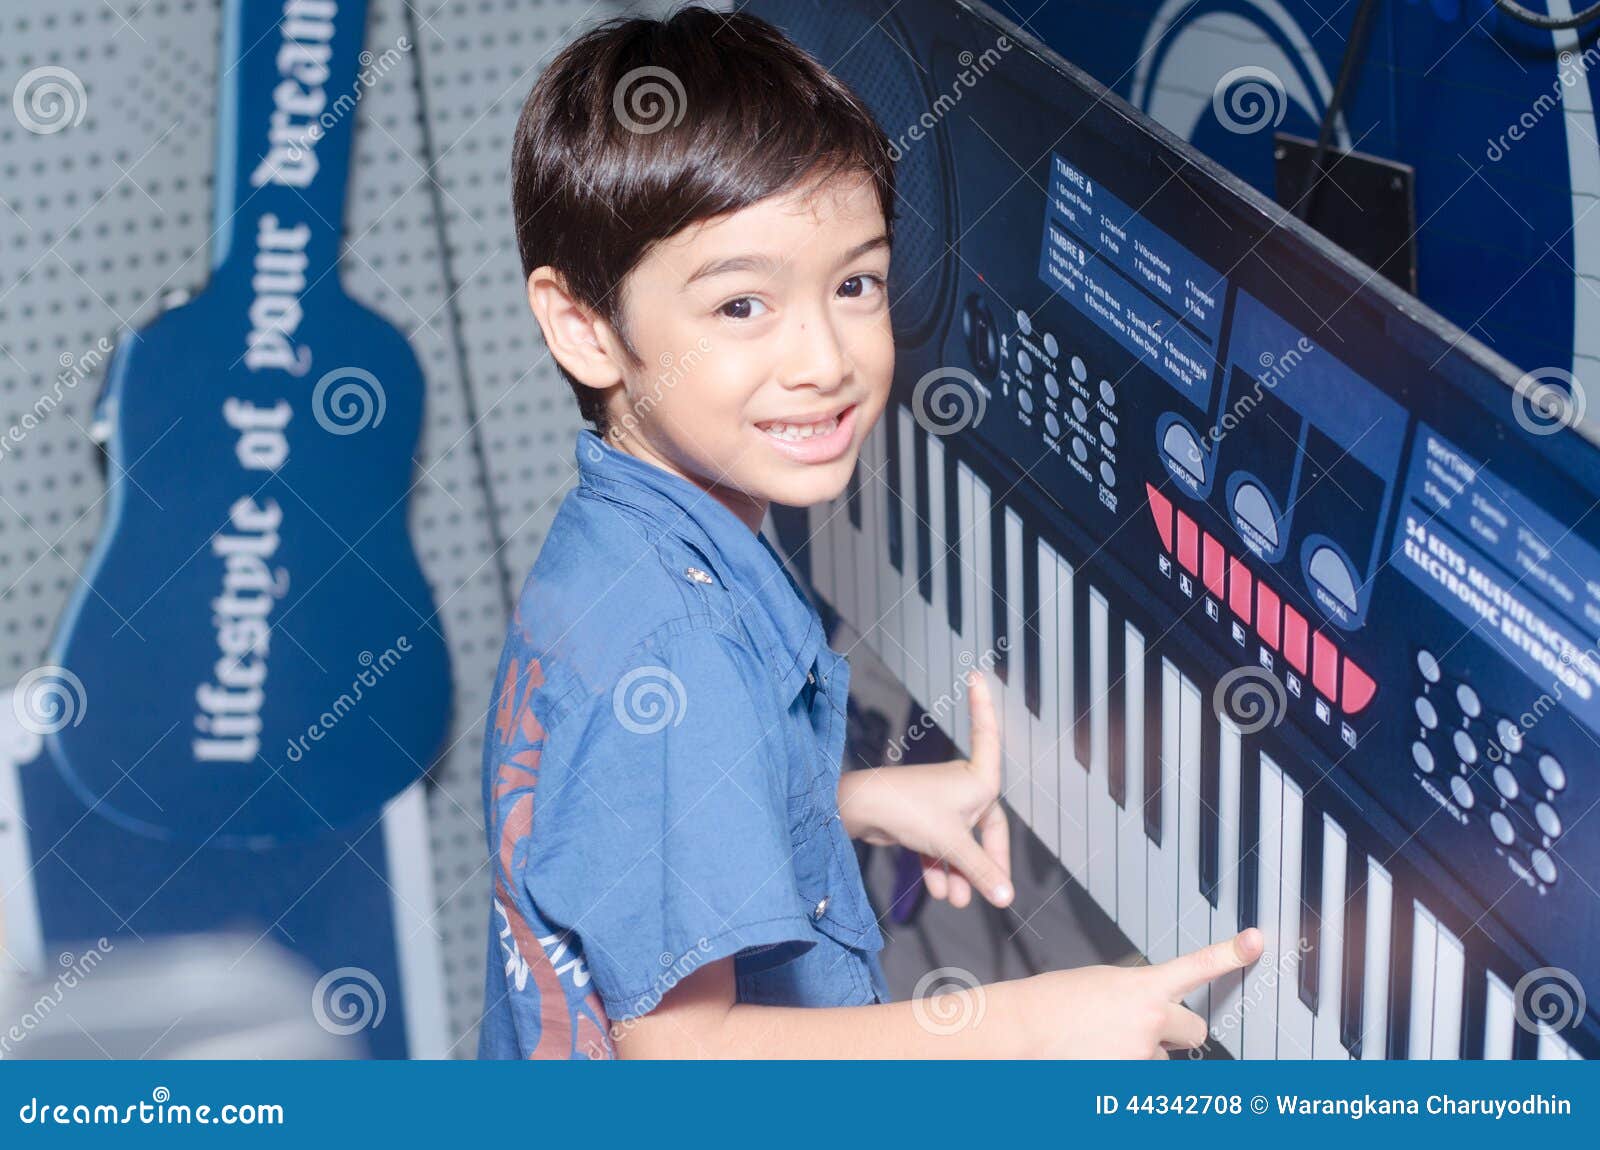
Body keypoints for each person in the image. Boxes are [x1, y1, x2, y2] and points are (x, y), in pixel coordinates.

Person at [476, 4, 1261, 1060]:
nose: (825, 358)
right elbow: (687, 1058)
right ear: (584, 327)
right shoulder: (678, 651)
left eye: (856, 283)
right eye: (741, 306)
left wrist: (844, 801)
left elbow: (610, 831)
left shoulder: (614, 550)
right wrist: (1032, 1023)